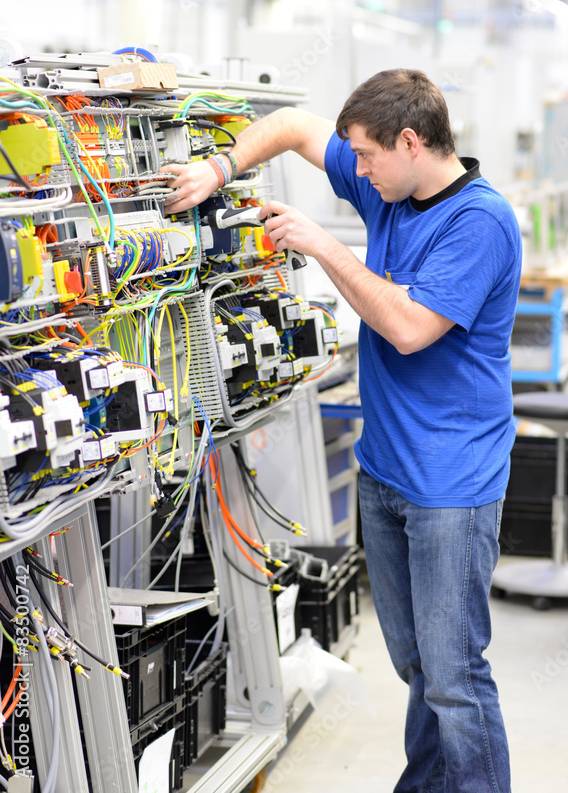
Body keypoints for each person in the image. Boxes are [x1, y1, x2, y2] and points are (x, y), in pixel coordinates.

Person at [163, 68, 521, 793]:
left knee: (455, 676)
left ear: (411, 142)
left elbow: (409, 327)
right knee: (419, 663)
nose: (354, 169)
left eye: (365, 156)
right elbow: (296, 122)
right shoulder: (390, 187)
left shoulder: (478, 221)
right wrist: (217, 166)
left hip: (451, 483)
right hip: (387, 471)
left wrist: (326, 249)